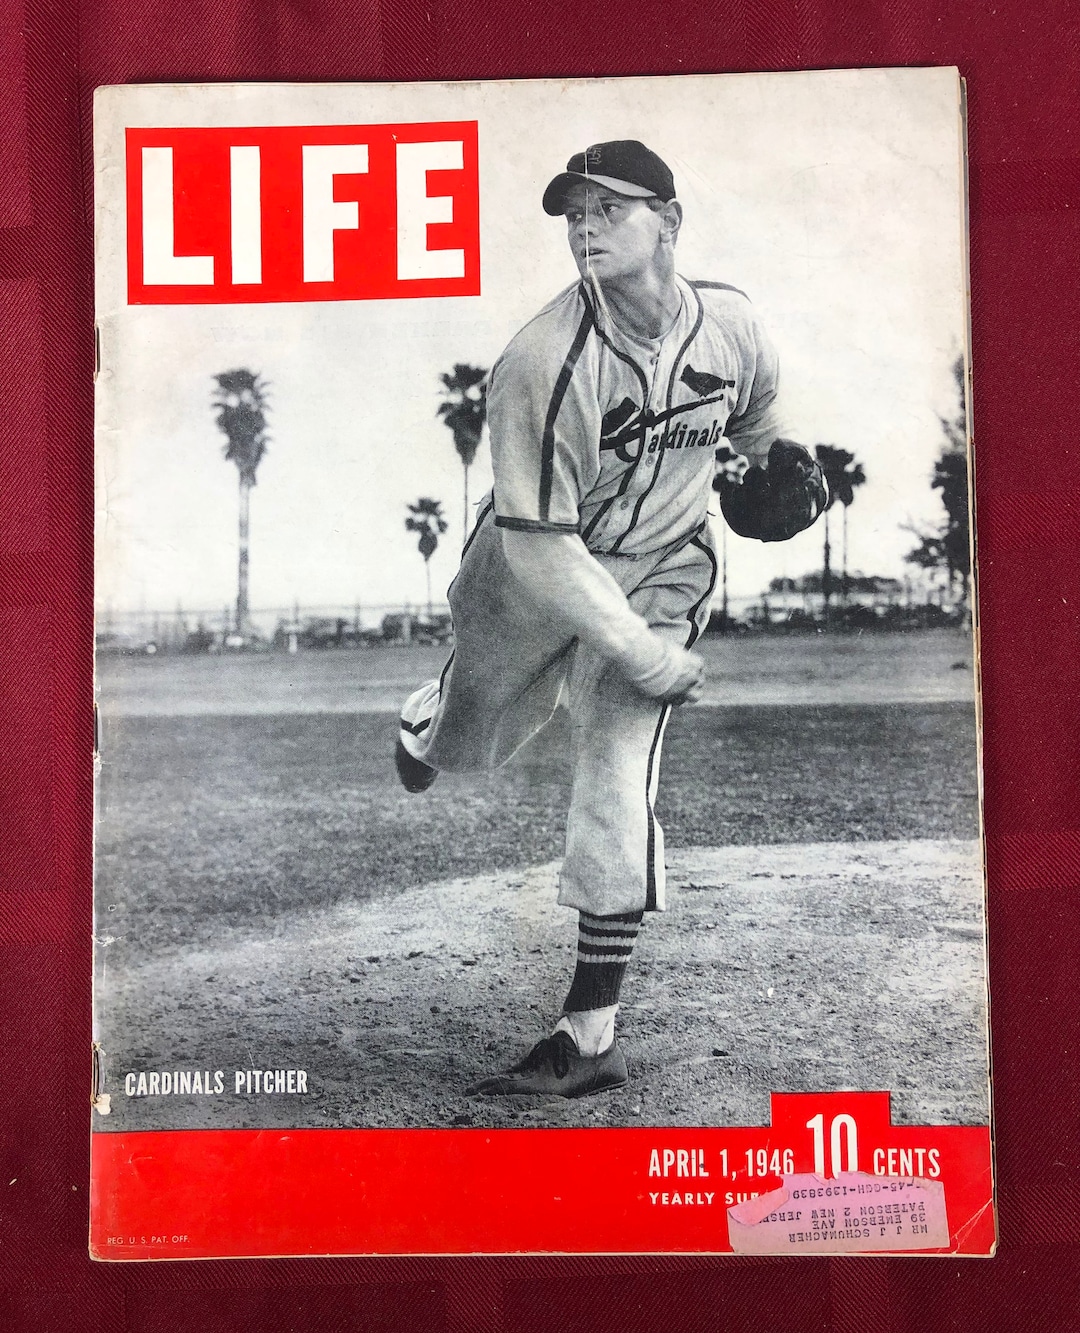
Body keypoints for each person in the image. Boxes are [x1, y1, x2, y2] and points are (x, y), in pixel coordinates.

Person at [395, 140, 825, 1098]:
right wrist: (628, 643)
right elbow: (541, 545)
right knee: (476, 723)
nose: (584, 227)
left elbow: (755, 426)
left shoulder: (735, 324)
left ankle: (587, 1034)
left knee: (616, 757)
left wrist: (772, 470)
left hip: (668, 568)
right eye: (573, 212)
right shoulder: (544, 359)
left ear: (669, 222)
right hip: (530, 570)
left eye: (608, 208)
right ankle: (432, 717)